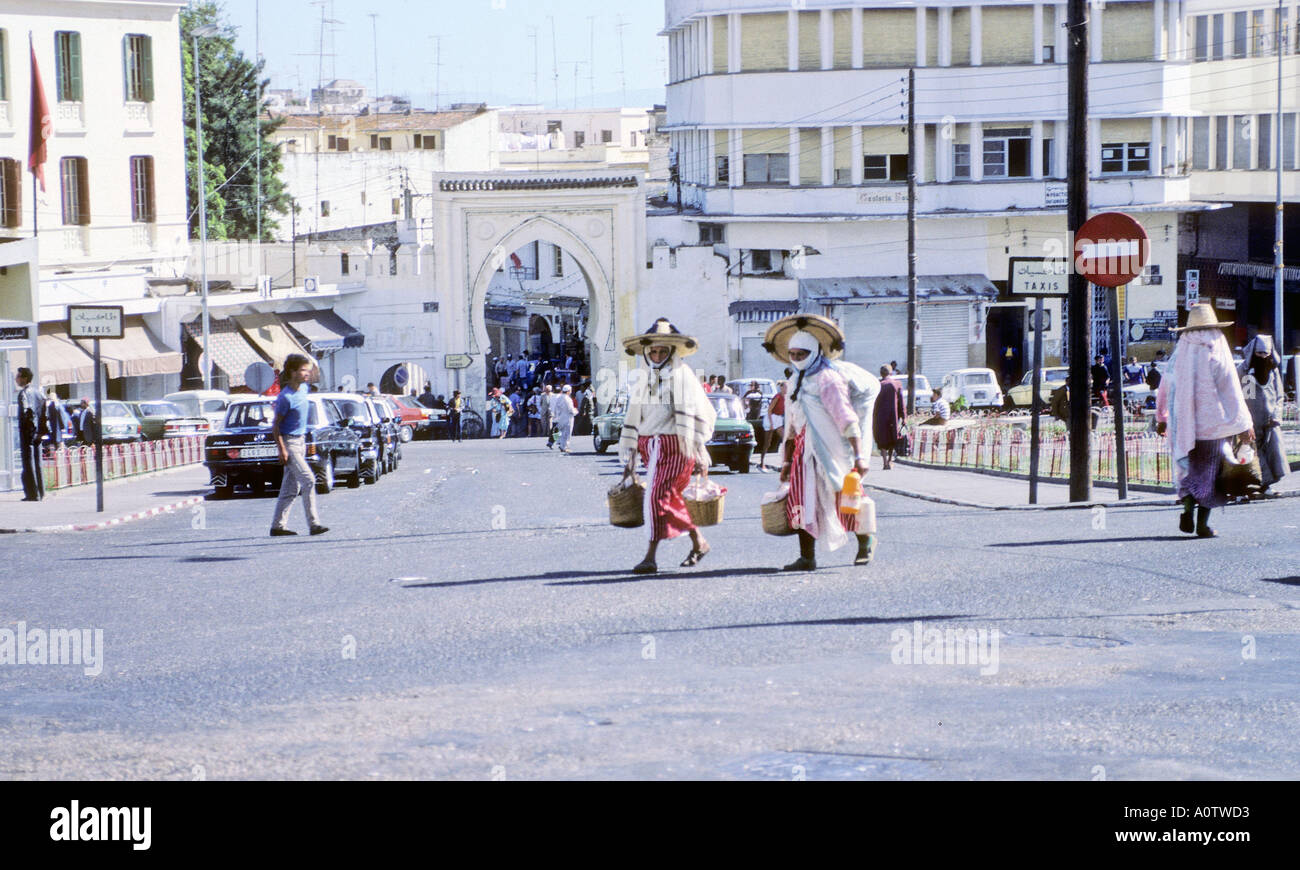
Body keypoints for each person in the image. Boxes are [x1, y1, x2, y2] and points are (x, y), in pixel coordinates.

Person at [767, 315, 881, 569]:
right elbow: (792, 425)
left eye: (802, 353)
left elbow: (845, 417)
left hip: (832, 451)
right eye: (793, 354)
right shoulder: (795, 381)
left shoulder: (828, 379)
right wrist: (786, 460)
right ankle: (807, 557)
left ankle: (866, 542)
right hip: (803, 454)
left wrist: (859, 457)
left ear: (815, 352)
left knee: (847, 499)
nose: (797, 358)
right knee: (802, 502)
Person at [618, 318, 716, 574]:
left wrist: (698, 452)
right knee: (666, 498)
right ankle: (699, 542)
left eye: (663, 351)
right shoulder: (644, 377)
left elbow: (700, 413)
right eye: (654, 351)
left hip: (676, 446)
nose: (658, 354)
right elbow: (634, 416)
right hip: (649, 446)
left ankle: (650, 556)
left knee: (655, 498)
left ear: (672, 351)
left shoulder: (683, 376)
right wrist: (630, 457)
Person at [1155, 304, 1254, 538]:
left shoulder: (1182, 348)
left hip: (1184, 425)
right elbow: (1230, 388)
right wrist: (1244, 423)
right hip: (1215, 427)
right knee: (1212, 475)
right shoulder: (1217, 345)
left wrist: (1161, 417)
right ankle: (1202, 524)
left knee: (1190, 471)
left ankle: (1188, 509)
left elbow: (1166, 385)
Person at [270, 354, 327, 537]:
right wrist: (282, 449)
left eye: (307, 369)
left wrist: (311, 361)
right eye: (303, 370)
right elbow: (276, 426)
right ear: (292, 372)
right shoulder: (285, 397)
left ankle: (277, 526)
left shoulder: (304, 389)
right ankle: (314, 524)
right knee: (308, 479)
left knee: (290, 488)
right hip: (290, 442)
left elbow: (315, 372)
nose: (307, 373)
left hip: (301, 441)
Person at [1238, 335, 1289, 494]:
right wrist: (1246, 422)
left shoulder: (1273, 371)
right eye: (1259, 353)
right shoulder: (1245, 370)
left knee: (1273, 452)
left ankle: (1267, 484)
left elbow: (1279, 395)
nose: (1263, 357)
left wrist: (1276, 415)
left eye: (1266, 353)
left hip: (1271, 421)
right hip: (1252, 422)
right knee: (1253, 453)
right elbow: (1247, 398)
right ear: (1253, 352)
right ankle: (1259, 485)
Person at [15, 368, 45, 501]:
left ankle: (32, 494)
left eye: (18, 376)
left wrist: (29, 430)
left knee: (28, 463)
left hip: (28, 433)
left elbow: (28, 413)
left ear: (25, 378)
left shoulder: (23, 394)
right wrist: (41, 432)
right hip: (37, 434)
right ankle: (41, 491)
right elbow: (44, 414)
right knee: (38, 462)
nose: (16, 379)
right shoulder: (39, 393)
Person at [873, 365, 906, 470]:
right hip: (893, 416)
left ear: (881, 373)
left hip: (879, 416)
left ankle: (884, 462)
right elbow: (901, 402)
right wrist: (904, 417)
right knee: (892, 437)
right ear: (891, 373)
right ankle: (890, 460)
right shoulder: (896, 384)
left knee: (882, 438)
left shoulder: (877, 385)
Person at [742, 381, 766, 473]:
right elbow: (744, 400)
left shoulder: (758, 394)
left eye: (752, 385)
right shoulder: (750, 394)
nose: (751, 387)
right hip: (751, 413)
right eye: (751, 385)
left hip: (756, 413)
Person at [764, 380, 787, 470]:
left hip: (779, 419)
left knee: (785, 439)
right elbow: (769, 410)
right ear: (781, 388)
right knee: (767, 442)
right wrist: (771, 423)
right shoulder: (777, 397)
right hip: (772, 418)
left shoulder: (786, 397)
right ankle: (762, 462)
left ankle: (784, 462)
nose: (787, 389)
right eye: (785, 387)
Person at [552, 384, 577, 453]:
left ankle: (561, 445)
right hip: (568, 417)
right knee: (567, 433)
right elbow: (570, 409)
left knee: (562, 432)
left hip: (560, 417)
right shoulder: (568, 398)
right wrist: (575, 411)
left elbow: (556, 408)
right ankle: (565, 447)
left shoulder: (559, 398)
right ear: (568, 391)